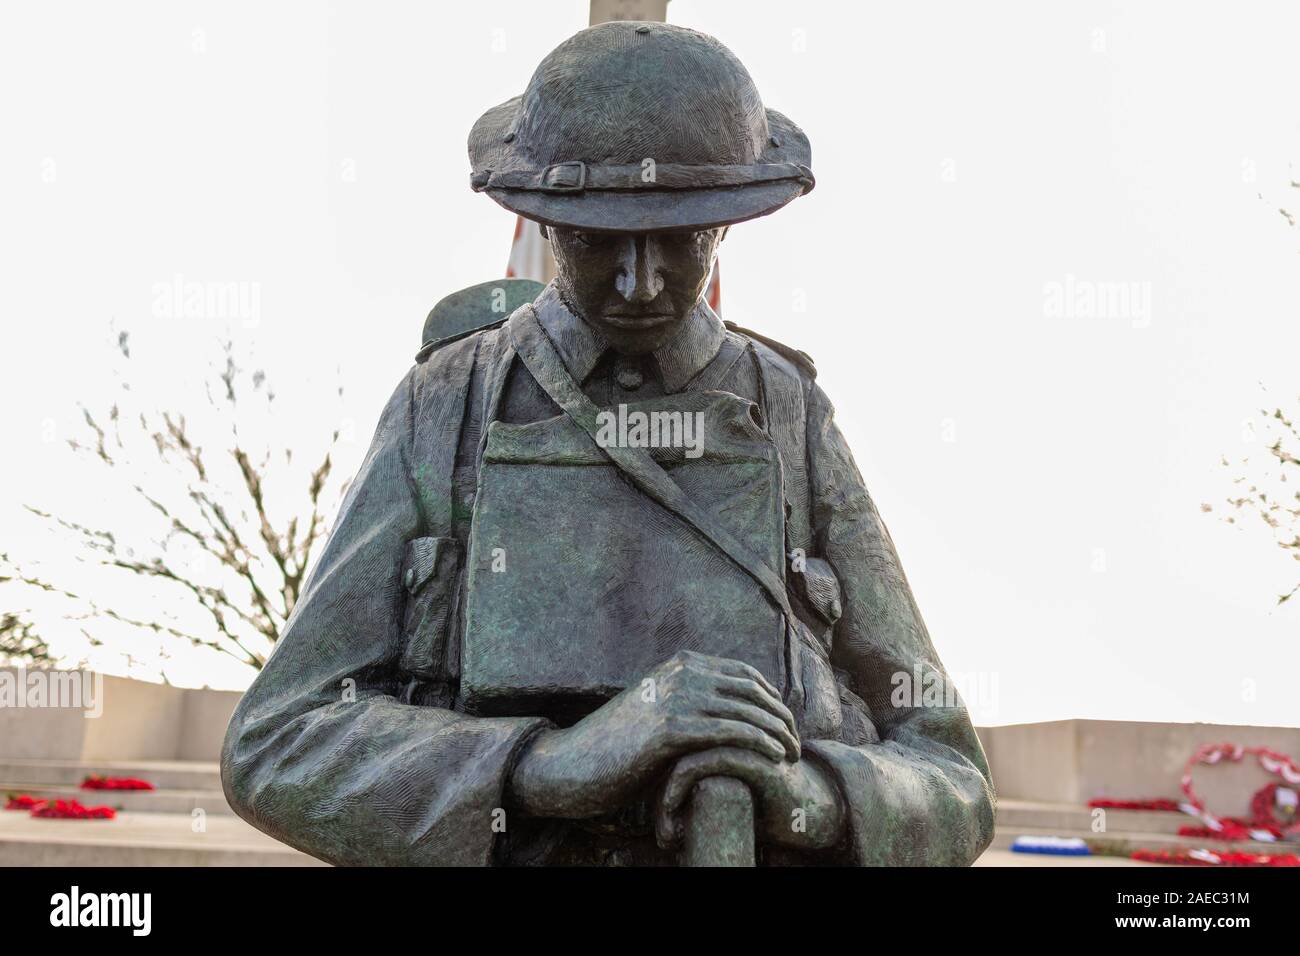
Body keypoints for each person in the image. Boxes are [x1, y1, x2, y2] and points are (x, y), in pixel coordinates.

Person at [221, 21, 995, 866]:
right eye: (596, 241)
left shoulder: (791, 413)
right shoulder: (446, 404)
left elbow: (949, 770)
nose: (640, 283)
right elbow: (279, 740)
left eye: (677, 239)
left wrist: (810, 797)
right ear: (546, 225)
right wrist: (541, 768)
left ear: (726, 228)